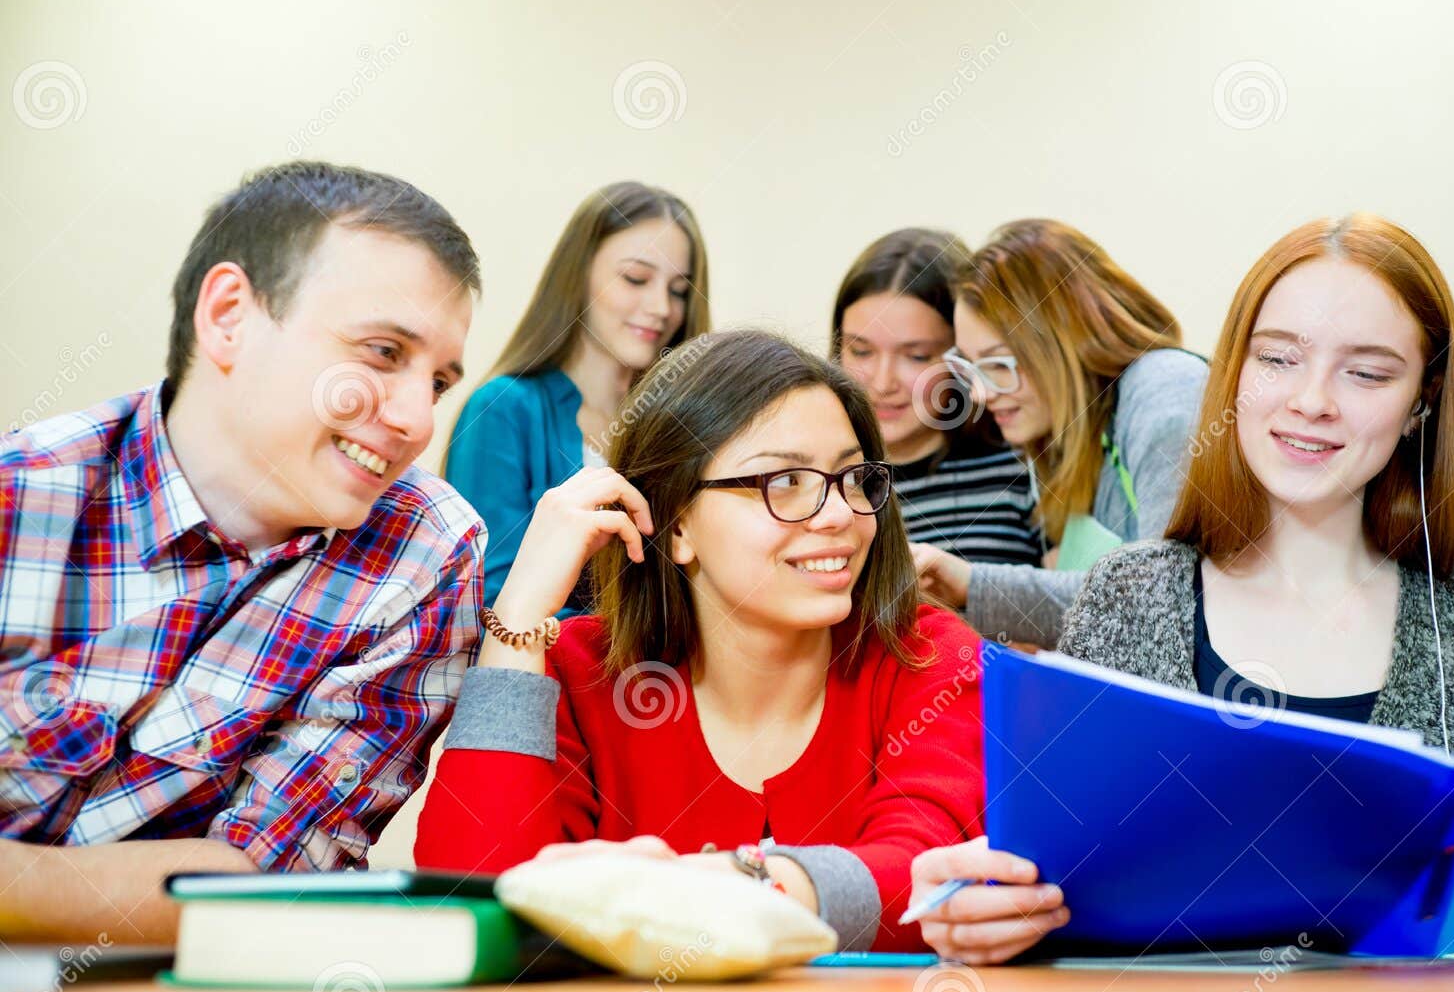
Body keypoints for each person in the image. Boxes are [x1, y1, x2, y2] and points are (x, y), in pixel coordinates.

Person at [910, 213, 1454, 965]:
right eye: (1278, 359)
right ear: (1234, 370)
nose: (1312, 400)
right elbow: (1049, 877)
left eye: (1366, 373)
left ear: (1421, 400)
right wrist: (984, 909)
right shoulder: (1128, 594)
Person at [0, 162, 487, 944]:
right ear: (229, 316)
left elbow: (276, 882)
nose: (417, 421)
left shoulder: (425, 552)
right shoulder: (22, 497)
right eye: (383, 352)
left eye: (437, 383)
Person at [415, 330, 985, 951]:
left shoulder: (930, 655)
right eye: (785, 481)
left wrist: (714, 887)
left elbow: (932, 880)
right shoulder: (577, 673)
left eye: (853, 477)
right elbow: (470, 905)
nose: (841, 514)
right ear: (677, 523)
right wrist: (517, 617)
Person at [912, 219, 1207, 646]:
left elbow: (1161, 601)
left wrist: (972, 585)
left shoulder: (1166, 390)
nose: (979, 393)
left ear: (1061, 344)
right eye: (971, 367)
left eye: (998, 364)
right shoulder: (1075, 435)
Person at [445, 181, 711, 609]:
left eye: (679, 290)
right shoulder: (503, 410)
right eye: (636, 278)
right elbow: (491, 601)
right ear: (578, 276)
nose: (662, 308)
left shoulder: (683, 422)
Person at [832, 228, 1041, 566]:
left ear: (964, 356)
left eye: (916, 356)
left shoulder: (1023, 468)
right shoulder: (822, 483)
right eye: (861, 351)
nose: (883, 383)